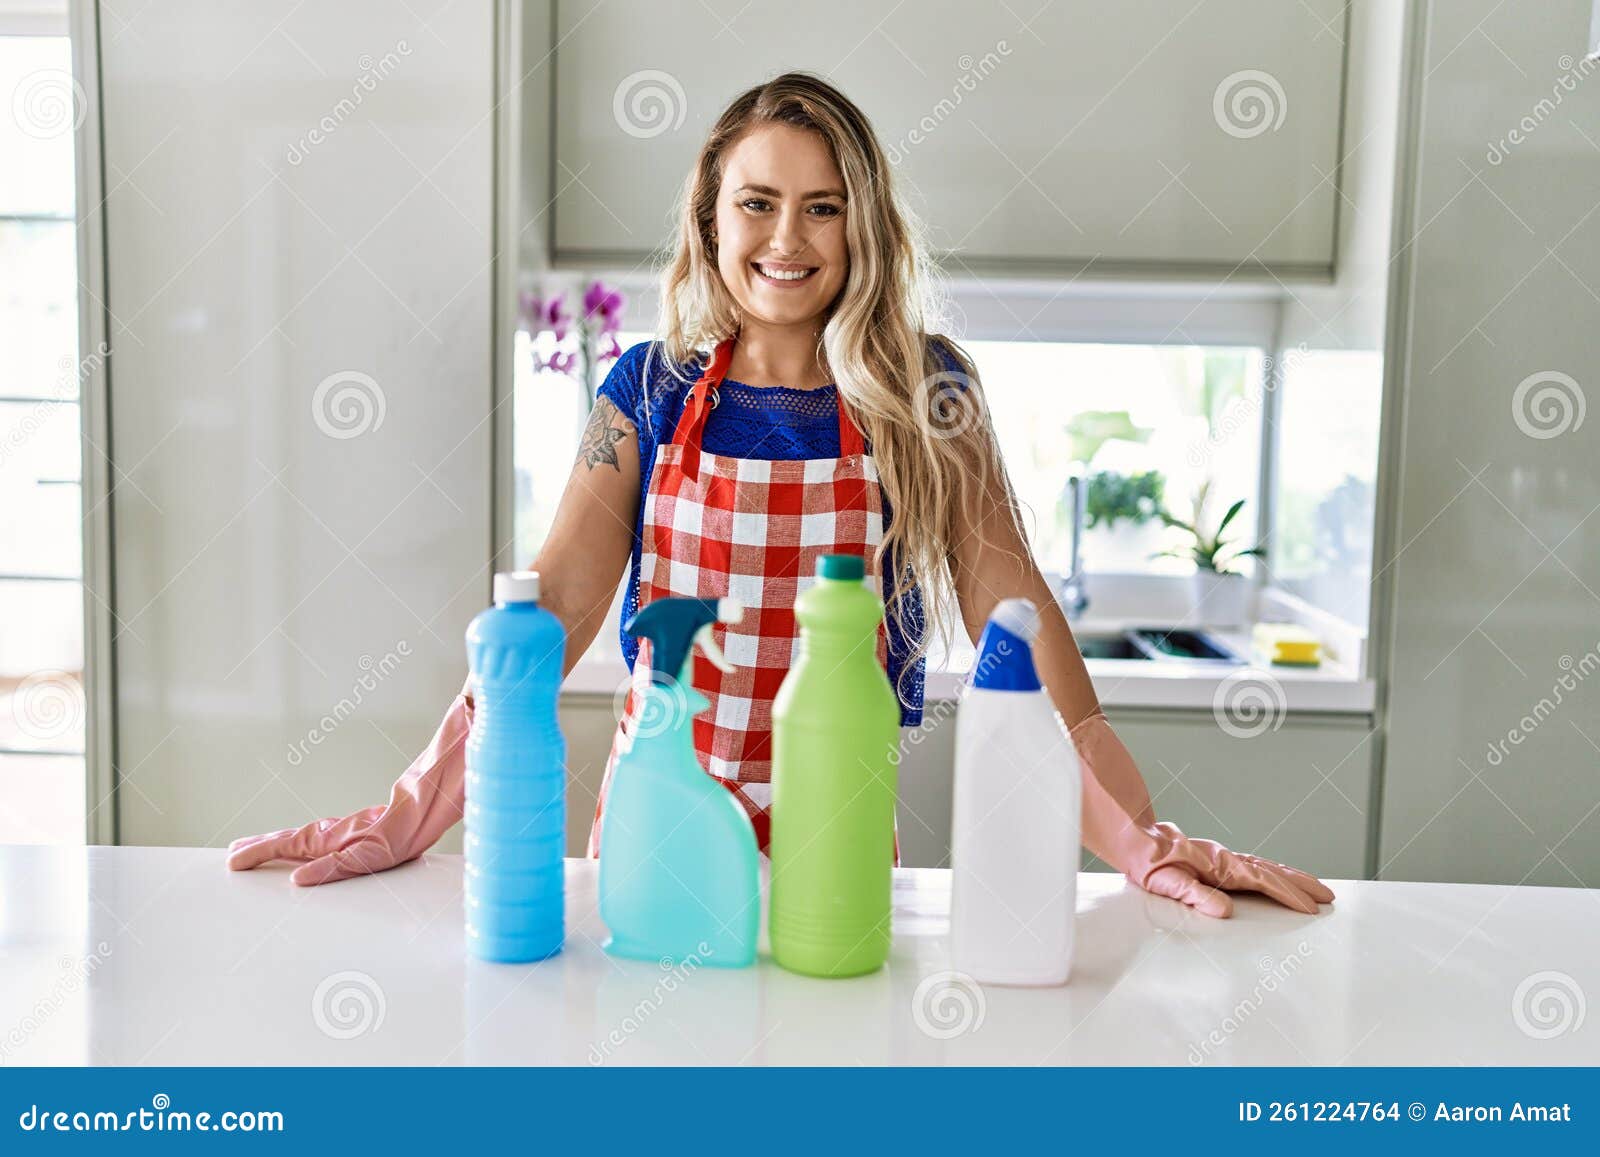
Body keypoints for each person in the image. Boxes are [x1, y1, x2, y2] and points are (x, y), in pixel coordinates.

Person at [228, 72, 1334, 919]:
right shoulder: (647, 388)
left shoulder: (927, 390)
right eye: (757, 202)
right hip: (657, 824)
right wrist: (414, 804)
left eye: (823, 207)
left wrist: (1143, 837)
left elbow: (1021, 620)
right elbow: (554, 607)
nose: (786, 240)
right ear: (712, 215)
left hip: (837, 837)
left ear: (864, 226)